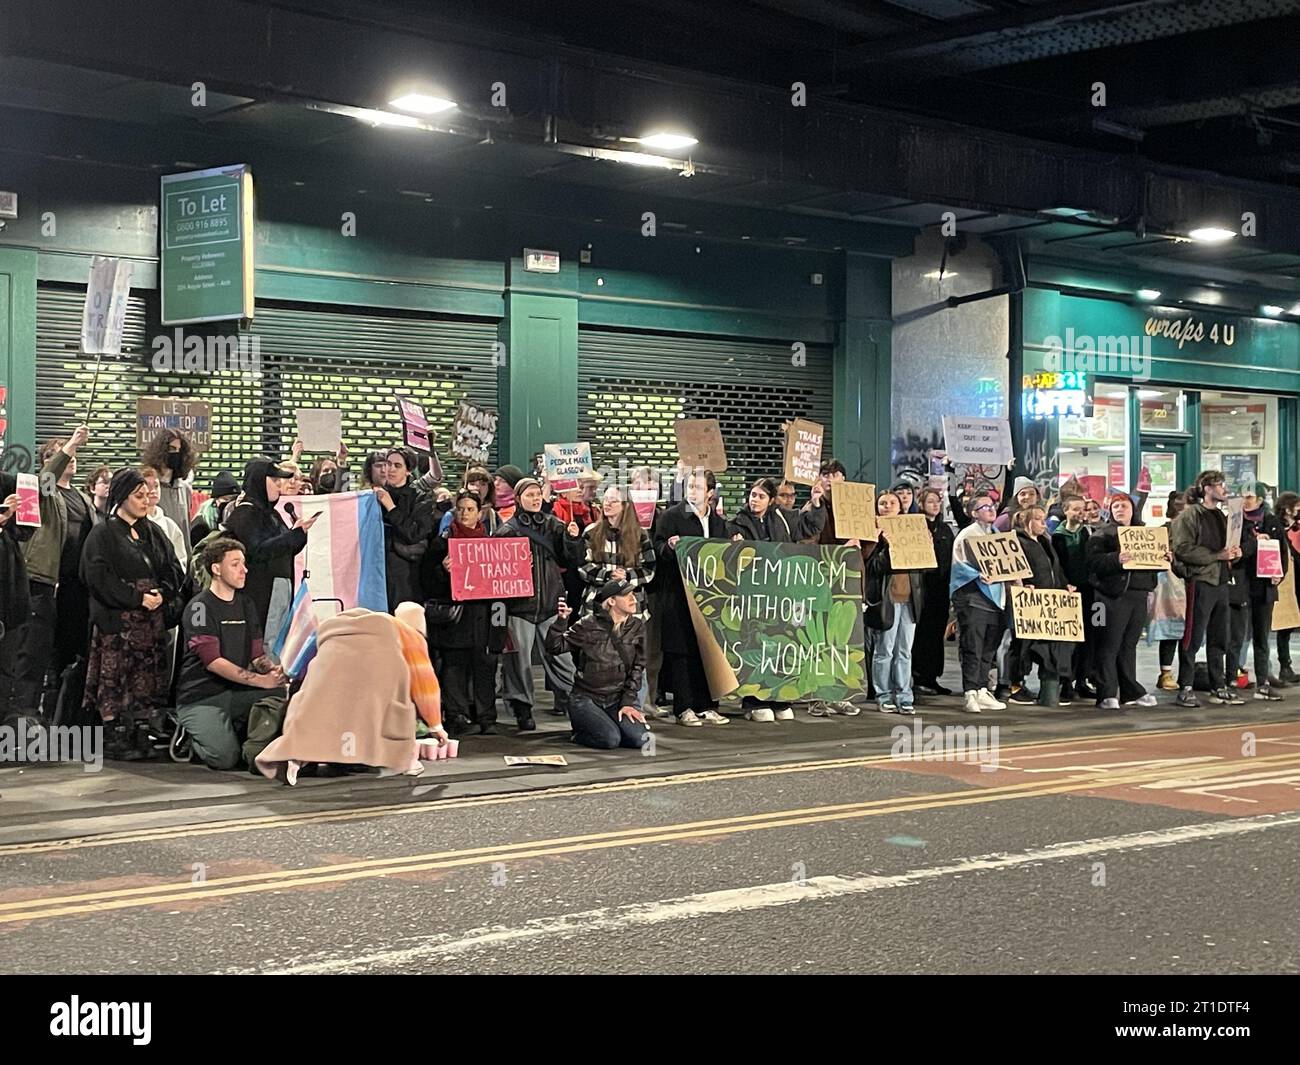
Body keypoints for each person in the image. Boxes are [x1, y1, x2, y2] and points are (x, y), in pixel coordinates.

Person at [79, 468, 186, 758]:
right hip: (118, 622)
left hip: (151, 622)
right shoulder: (103, 533)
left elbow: (173, 567)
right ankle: (115, 736)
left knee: (148, 679)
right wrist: (136, 597)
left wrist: (162, 593)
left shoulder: (153, 531)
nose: (145, 501)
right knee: (117, 679)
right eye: (138, 496)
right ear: (122, 497)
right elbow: (96, 576)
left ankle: (141, 731)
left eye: (147, 495)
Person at [255, 608, 429, 784]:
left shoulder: (335, 629)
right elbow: (426, 690)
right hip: (369, 688)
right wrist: (436, 726)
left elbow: (298, 662)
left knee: (314, 722)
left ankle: (295, 759)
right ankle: (407, 762)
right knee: (384, 719)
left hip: (326, 678)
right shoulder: (408, 637)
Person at [175, 538, 287, 769]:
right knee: (224, 759)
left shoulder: (246, 604)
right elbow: (213, 662)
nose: (244, 570)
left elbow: (257, 656)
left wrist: (273, 671)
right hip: (201, 697)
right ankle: (190, 740)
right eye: (235, 564)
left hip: (235, 692)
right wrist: (260, 680)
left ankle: (247, 738)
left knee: (280, 693)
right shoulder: (200, 607)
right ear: (216, 569)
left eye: (244, 563)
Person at [727, 476, 827, 722]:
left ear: (771, 500)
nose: (754, 500)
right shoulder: (737, 523)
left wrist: (816, 503)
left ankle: (781, 698)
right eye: (752, 495)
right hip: (754, 595)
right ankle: (754, 700)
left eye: (760, 496)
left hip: (781, 594)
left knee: (782, 644)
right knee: (756, 645)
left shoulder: (783, 518)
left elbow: (811, 527)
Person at [494, 475, 583, 731]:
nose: (534, 499)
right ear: (519, 498)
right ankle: (522, 708)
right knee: (518, 661)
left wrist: (572, 538)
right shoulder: (506, 531)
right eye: (528, 495)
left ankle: (574, 700)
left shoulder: (555, 525)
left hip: (551, 605)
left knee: (562, 658)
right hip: (520, 607)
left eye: (537, 494)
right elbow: (497, 571)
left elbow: (572, 560)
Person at [15, 425, 89, 720]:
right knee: (31, 657)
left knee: (62, 656)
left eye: (70, 453)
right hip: (40, 583)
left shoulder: (81, 499)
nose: (69, 457)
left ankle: (56, 719)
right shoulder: (36, 491)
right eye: (57, 454)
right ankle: (22, 718)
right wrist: (70, 444)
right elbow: (45, 479)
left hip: (72, 589)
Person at [424, 490, 505, 735]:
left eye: (470, 509)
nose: (465, 513)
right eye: (461, 509)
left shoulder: (493, 543)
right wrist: (442, 570)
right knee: (454, 668)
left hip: (484, 615)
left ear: (480, 513)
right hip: (456, 617)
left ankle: (486, 717)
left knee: (485, 666)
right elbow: (427, 582)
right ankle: (457, 715)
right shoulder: (441, 543)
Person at [654, 468, 731, 726]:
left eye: (698, 487)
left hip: (710, 597)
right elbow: (656, 547)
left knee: (707, 651)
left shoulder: (720, 523)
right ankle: (683, 706)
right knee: (681, 651)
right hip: (678, 594)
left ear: (710, 493)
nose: (693, 491)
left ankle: (707, 705)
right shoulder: (672, 516)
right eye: (690, 486)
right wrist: (669, 547)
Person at [545, 578, 650, 750]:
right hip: (587, 699)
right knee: (610, 740)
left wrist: (628, 702)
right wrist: (561, 622)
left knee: (641, 740)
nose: (634, 599)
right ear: (611, 601)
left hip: (616, 699)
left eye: (633, 594)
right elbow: (554, 647)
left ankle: (608, 725)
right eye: (627, 595)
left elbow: (638, 667)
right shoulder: (588, 625)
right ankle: (581, 731)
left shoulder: (637, 626)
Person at [1170, 471, 1242, 708]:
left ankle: (1217, 685)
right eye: (1220, 485)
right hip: (1201, 581)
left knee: (1220, 636)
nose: (1224, 489)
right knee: (1193, 635)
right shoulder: (1190, 516)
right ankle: (1186, 686)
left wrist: (1234, 554)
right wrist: (1216, 555)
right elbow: (1182, 548)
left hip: (1221, 580)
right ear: (1207, 488)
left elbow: (1227, 548)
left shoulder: (1223, 517)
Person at [1086, 492, 1161, 710]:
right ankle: (1106, 693)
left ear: (1132, 509)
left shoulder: (1144, 533)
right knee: (1108, 645)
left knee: (1128, 645)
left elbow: (1150, 564)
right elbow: (1092, 563)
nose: (1120, 509)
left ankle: (1130, 691)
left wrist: (1162, 559)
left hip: (1138, 594)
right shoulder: (1101, 534)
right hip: (1111, 596)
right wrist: (1115, 559)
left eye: (1124, 505)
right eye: (1115, 506)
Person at [223, 458, 317, 628]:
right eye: (274, 480)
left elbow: (282, 548)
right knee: (268, 643)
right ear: (260, 482)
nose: (279, 485)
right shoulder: (246, 514)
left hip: (279, 586)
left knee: (278, 641)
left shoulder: (271, 514)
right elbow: (257, 550)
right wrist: (293, 536)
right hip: (262, 592)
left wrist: (298, 535)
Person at [865, 491, 922, 713]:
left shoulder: (912, 530)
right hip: (886, 600)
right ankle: (883, 694)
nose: (887, 506)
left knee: (905, 650)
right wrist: (887, 545)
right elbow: (874, 568)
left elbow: (923, 567)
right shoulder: (873, 534)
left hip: (909, 600)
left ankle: (904, 694)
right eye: (883, 503)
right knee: (884, 650)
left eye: (892, 503)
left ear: (900, 507)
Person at [1229, 482, 1286, 700]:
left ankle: (1262, 683)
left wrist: (1278, 575)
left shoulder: (1272, 523)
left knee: (1262, 638)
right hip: (1241, 587)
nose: (1245, 500)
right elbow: (1235, 554)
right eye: (1242, 496)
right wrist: (1254, 542)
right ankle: (1231, 681)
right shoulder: (1235, 522)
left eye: (1250, 496)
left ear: (1260, 500)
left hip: (1264, 589)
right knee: (1236, 638)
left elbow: (1281, 554)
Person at [950, 494, 1007, 713]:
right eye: (985, 507)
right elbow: (959, 564)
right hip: (973, 598)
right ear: (974, 513)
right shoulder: (967, 534)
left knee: (989, 648)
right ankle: (970, 692)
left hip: (995, 598)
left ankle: (983, 688)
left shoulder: (997, 534)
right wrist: (977, 574)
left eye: (992, 506)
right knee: (972, 646)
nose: (991, 510)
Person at [375, 446, 435, 612]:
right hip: (377, 570)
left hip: (405, 575)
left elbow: (415, 533)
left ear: (408, 471)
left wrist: (391, 508)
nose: (391, 469)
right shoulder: (375, 495)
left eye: (397, 465)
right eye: (388, 464)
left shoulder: (421, 497)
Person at [1051, 494, 1096, 702]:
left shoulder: (1088, 533)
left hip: (1089, 591)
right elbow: (1057, 565)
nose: (1081, 513)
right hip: (1067, 592)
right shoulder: (1057, 536)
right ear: (1066, 510)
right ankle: (1065, 681)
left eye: (1083, 509)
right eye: (1076, 509)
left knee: (1088, 637)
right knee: (1069, 639)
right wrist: (1064, 584)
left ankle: (1082, 680)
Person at [912, 486, 954, 696]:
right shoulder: (915, 526)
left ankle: (933, 676)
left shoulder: (945, 529)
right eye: (930, 501)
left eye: (938, 501)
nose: (935, 505)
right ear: (921, 504)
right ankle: (919, 676)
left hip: (941, 588)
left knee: (937, 634)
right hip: (923, 587)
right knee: (922, 634)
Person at [0, 473, 33, 727]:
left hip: (10, 597)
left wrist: (25, 508)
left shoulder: (9, 482)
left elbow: (25, 532)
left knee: (6, 670)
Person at [1149, 492, 1188, 692]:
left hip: (1189, 583)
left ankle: (1185, 674)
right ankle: (1166, 671)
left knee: (1188, 632)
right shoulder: (1164, 530)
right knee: (1171, 630)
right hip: (1170, 586)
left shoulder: (1192, 529)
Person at [141, 428, 196, 565]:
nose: (176, 453)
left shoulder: (184, 489)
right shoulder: (148, 486)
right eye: (172, 448)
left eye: (179, 449)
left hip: (182, 556)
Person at [1274, 491, 1300, 685]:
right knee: (1285, 625)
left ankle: (1286, 666)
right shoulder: (1277, 527)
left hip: (1295, 581)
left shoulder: (1295, 528)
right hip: (1285, 582)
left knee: (1289, 624)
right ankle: (1285, 665)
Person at [141, 465, 189, 564]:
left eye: (156, 486)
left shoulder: (170, 525)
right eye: (148, 486)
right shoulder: (133, 522)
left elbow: (181, 559)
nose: (153, 491)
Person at [190, 471, 239, 544]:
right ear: (215, 501)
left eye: (234, 499)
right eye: (226, 499)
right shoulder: (201, 523)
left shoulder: (239, 518)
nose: (230, 504)